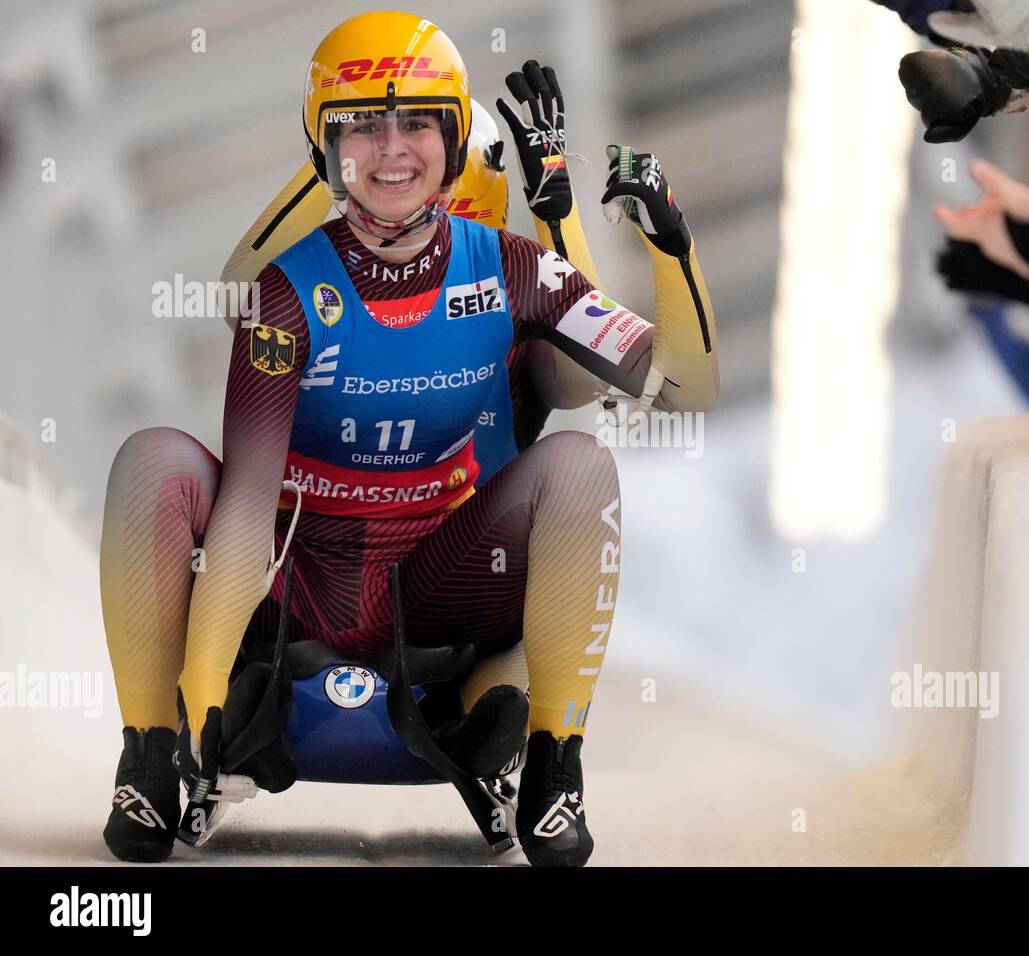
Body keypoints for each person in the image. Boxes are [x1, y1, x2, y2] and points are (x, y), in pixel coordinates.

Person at [100, 11, 718, 868]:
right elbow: (246, 487)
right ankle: (153, 752)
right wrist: (202, 684)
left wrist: (654, 243)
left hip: (446, 587)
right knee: (152, 460)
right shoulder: (287, 290)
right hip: (300, 581)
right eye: (364, 134)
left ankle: (549, 758)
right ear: (328, 158)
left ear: (458, 151)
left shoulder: (512, 269)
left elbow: (634, 381)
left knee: (580, 467)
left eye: (419, 130)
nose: (393, 158)